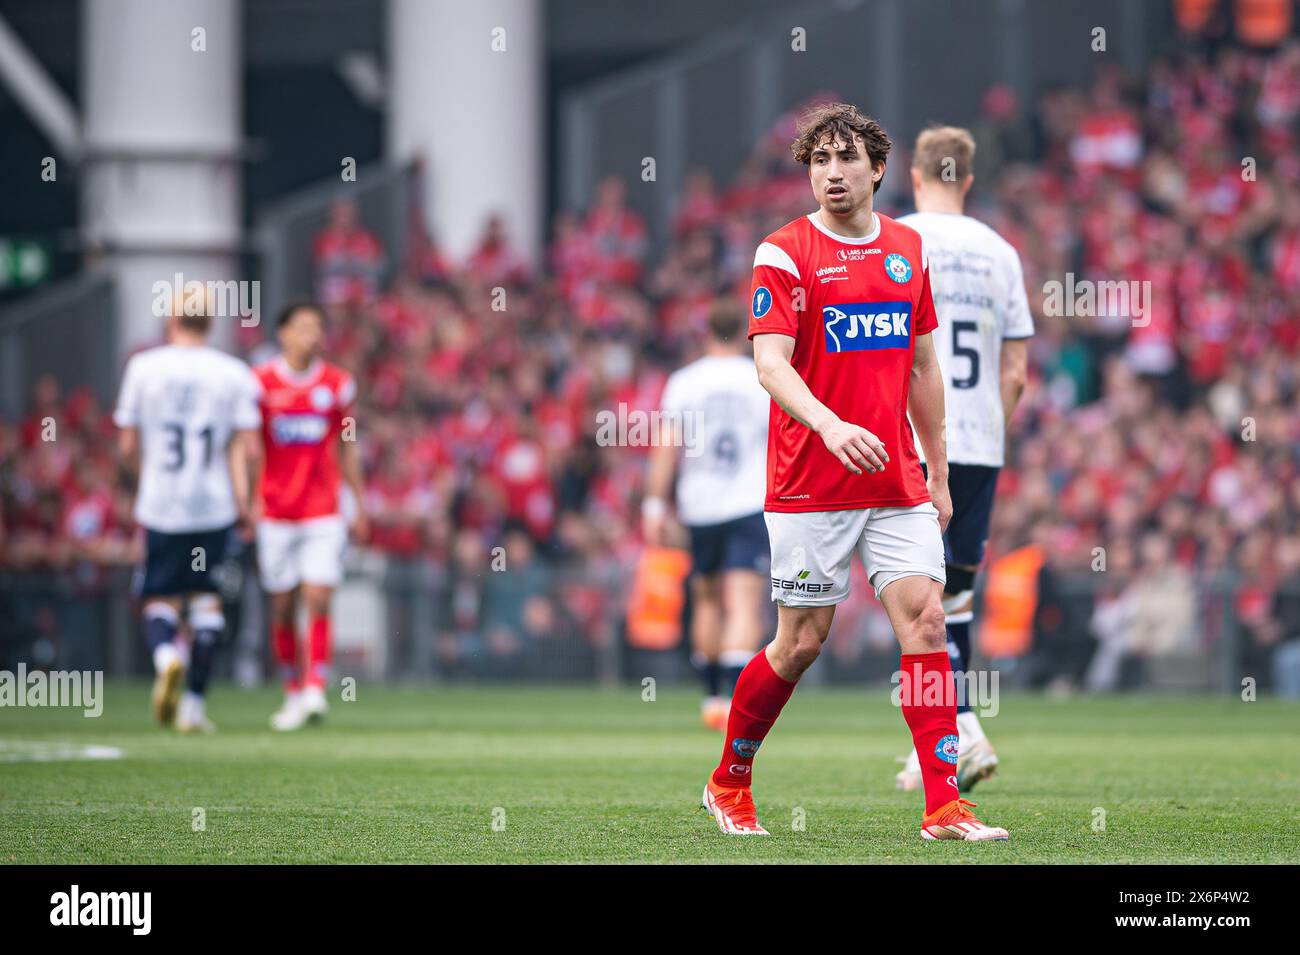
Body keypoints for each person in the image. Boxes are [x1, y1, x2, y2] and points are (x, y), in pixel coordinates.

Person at [700, 102, 1008, 840]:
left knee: (928, 621)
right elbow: (769, 362)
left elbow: (925, 366)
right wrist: (832, 424)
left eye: (845, 159)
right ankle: (729, 778)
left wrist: (935, 470)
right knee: (801, 641)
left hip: (896, 478)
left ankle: (943, 805)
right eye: (818, 161)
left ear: (877, 169)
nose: (831, 173)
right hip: (811, 477)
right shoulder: (783, 252)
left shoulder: (906, 250)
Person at [894, 125, 1033, 791]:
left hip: (915, 439)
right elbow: (1016, 371)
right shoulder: (1001, 252)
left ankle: (961, 731)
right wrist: (988, 430)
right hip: (980, 440)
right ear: (968, 180)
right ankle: (937, 740)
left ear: (916, 177)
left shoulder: (896, 240)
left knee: (912, 596)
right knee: (952, 599)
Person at [114, 295, 261, 732]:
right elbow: (249, 448)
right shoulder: (233, 372)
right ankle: (194, 706)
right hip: (212, 507)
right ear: (210, 323)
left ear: (173, 319)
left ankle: (167, 658)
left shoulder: (144, 367)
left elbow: (126, 445)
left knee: (158, 599)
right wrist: (245, 502)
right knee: (206, 604)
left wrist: (147, 482)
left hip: (163, 506)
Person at [643, 299, 771, 730]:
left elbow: (667, 447)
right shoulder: (760, 376)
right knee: (743, 602)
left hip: (700, 505)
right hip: (749, 501)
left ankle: (712, 697)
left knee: (707, 598)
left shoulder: (684, 381)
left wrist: (655, 503)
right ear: (745, 331)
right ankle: (737, 701)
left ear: (705, 331)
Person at [254, 303, 368, 731]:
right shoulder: (261, 384)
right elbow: (249, 447)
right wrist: (248, 499)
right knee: (283, 606)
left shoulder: (337, 385)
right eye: (303, 327)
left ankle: (316, 685)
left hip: (323, 509)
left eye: (318, 327)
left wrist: (359, 502)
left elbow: (349, 444)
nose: (312, 335)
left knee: (319, 596)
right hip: (276, 511)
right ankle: (291, 692)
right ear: (283, 333)